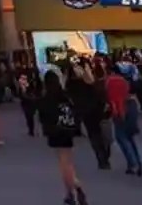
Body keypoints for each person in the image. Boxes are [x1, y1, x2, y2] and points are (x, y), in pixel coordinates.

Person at [39, 69, 88, 205]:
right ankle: (70, 191)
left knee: (63, 164)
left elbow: (43, 116)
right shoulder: (65, 96)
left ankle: (74, 188)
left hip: (55, 132)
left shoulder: (46, 98)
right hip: (68, 130)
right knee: (68, 161)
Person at [106, 63, 142, 176]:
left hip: (121, 108)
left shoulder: (113, 81)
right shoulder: (131, 80)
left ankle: (133, 163)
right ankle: (137, 163)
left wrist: (115, 111)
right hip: (132, 106)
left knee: (121, 137)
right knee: (129, 137)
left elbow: (113, 98)